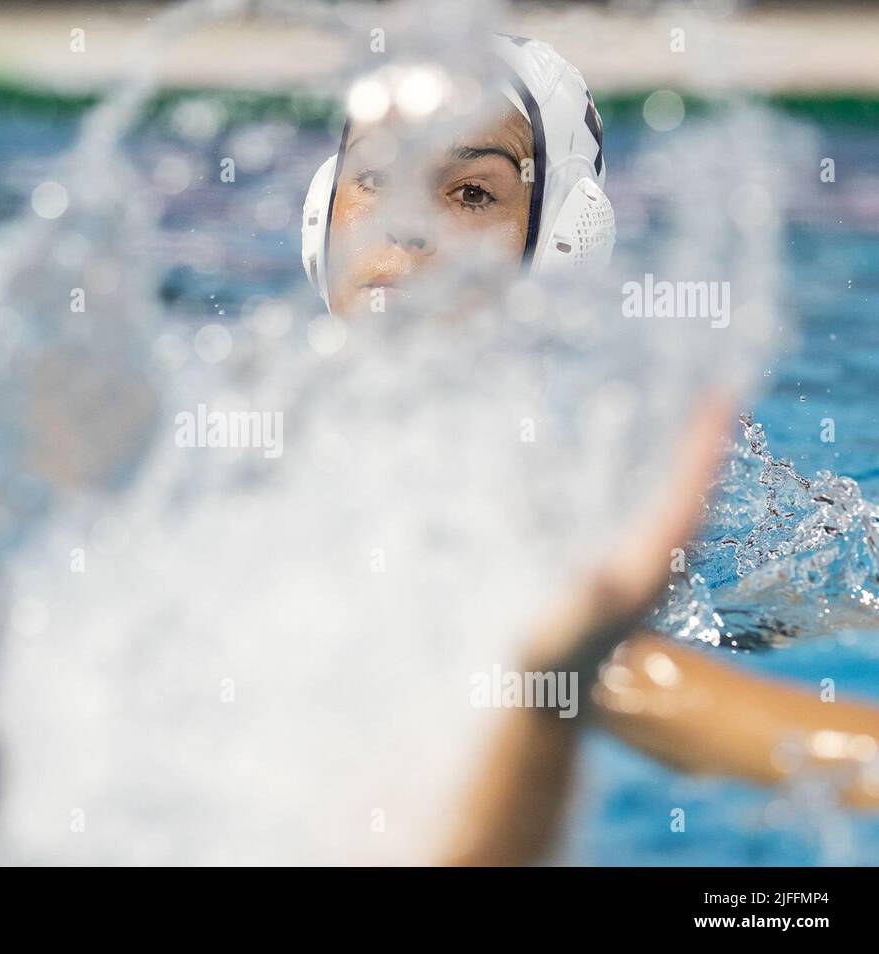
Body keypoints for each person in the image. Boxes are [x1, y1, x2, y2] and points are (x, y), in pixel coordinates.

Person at [301, 35, 879, 864]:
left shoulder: (529, 511)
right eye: (378, 177)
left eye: (470, 191)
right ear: (323, 213)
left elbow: (621, 682)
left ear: (561, 244)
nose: (407, 226)